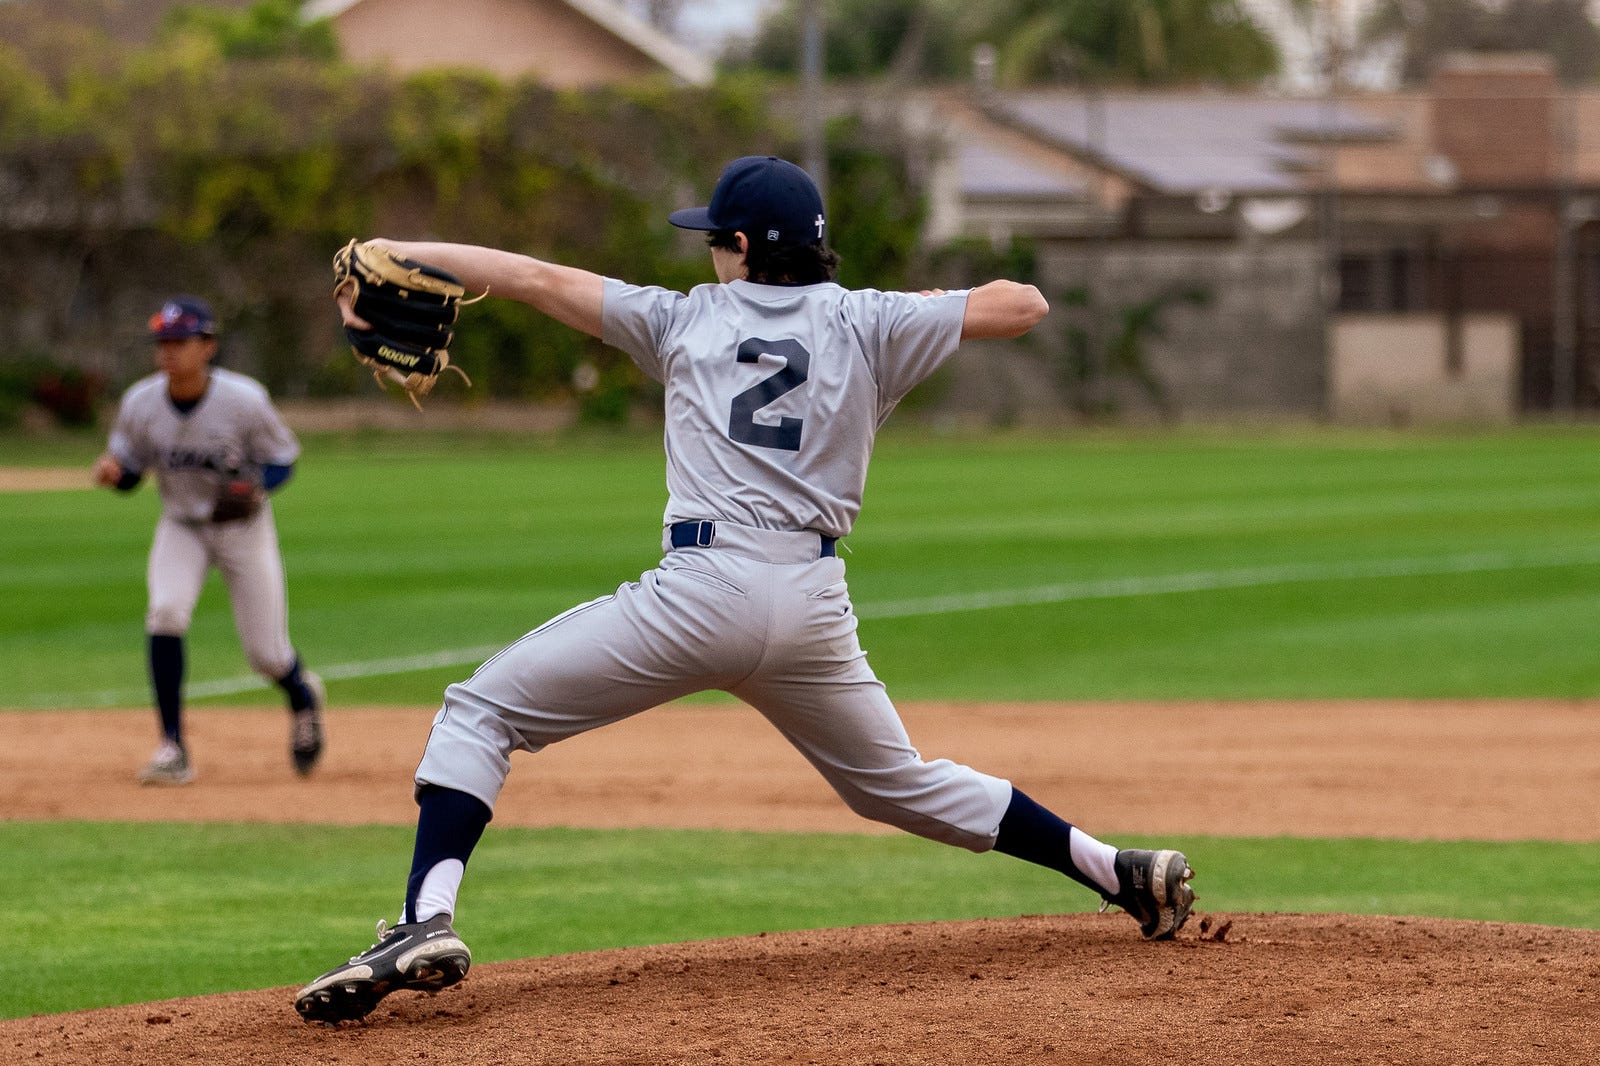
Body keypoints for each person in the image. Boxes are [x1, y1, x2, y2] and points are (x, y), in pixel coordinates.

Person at [294, 156, 1194, 1025]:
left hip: (700, 590)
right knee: (895, 785)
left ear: (740, 246)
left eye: (714, 239)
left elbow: (531, 275)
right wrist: (916, 309)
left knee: (480, 713)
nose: (708, 255)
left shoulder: (683, 319)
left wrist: (412, 252)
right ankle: (1120, 870)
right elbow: (1024, 304)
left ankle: (426, 920)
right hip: (811, 605)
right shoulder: (867, 321)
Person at [93, 296, 326, 786]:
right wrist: (115, 474)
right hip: (181, 526)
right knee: (166, 613)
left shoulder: (244, 400)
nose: (169, 351)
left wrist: (257, 484)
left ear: (209, 346)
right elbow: (131, 469)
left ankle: (303, 697)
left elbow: (283, 458)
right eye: (163, 341)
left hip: (243, 528)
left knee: (266, 655)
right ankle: (172, 747)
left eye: (180, 340)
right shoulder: (141, 402)